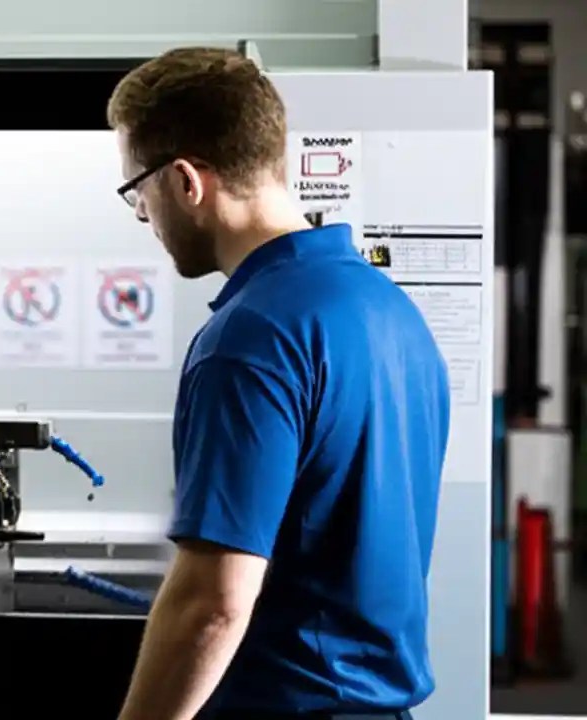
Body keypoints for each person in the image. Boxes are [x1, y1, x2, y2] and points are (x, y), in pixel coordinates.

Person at [106, 48, 450, 720]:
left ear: (184, 182)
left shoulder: (249, 338)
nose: (143, 217)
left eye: (137, 192)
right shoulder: (389, 309)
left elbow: (214, 602)